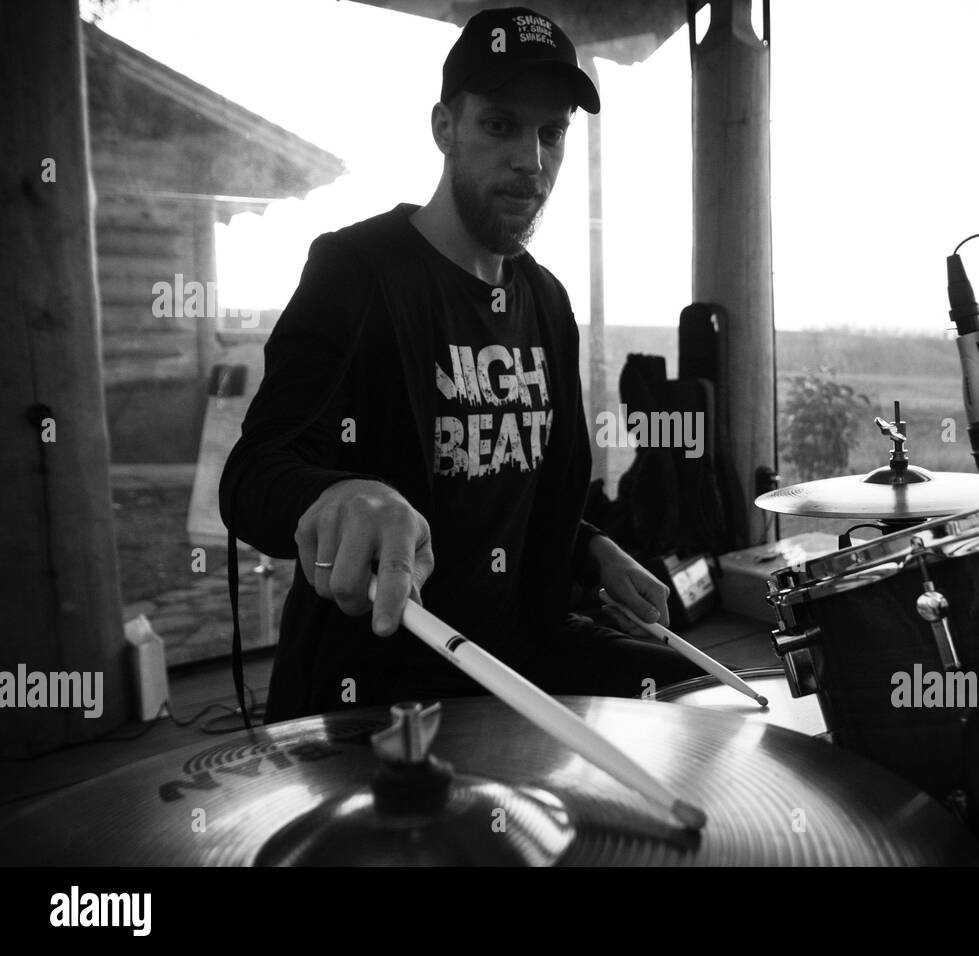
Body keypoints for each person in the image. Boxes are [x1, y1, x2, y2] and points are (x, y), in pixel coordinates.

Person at [219, 6, 701, 723]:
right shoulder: (357, 271)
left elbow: (524, 498)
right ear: (445, 128)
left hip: (523, 651)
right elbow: (253, 476)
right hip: (381, 679)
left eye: (552, 134)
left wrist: (594, 549)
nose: (531, 161)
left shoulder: (545, 300)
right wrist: (340, 494)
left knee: (708, 709)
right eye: (501, 125)